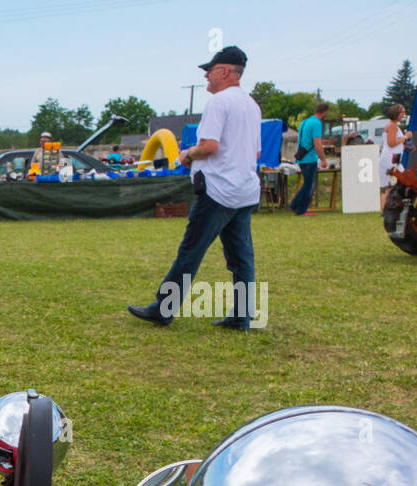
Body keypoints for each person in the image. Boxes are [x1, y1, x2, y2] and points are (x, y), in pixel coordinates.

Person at [127, 45, 261, 331]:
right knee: (241, 258)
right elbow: (256, 153)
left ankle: (163, 310)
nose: (206, 78)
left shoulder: (218, 103)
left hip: (218, 192)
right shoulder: (252, 106)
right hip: (245, 191)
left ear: (225, 72)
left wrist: (187, 155)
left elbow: (210, 146)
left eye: (210, 71)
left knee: (190, 252)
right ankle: (242, 316)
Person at [290, 101, 330, 217]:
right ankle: (301, 209)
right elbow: (317, 143)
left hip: (301, 157)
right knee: (309, 185)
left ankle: (295, 205)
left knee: (306, 184)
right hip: (310, 158)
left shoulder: (305, 122)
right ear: (325, 112)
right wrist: (323, 159)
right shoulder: (316, 123)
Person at [380, 103, 412, 209]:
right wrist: (405, 137)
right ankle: (385, 208)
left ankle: (387, 208)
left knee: (391, 184)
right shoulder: (392, 126)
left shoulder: (393, 126)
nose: (404, 114)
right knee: (391, 184)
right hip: (390, 158)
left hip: (393, 157)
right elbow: (391, 143)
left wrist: (404, 146)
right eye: (402, 112)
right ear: (397, 113)